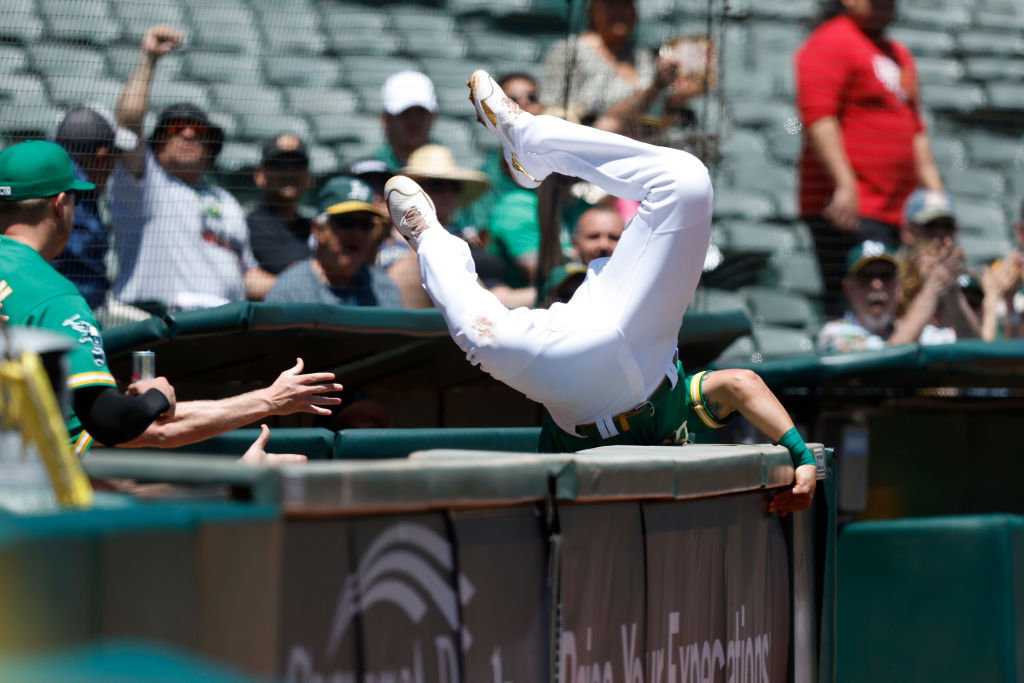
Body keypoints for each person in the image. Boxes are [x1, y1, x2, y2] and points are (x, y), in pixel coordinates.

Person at [384, 70, 817, 515]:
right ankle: (528, 138)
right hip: (649, 347)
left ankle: (429, 237)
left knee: (487, 338)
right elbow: (741, 383)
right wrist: (800, 454)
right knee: (687, 180)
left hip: (577, 391)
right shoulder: (687, 410)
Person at [0, 140, 343, 462]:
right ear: (61, 204)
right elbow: (111, 422)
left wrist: (269, 399)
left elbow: (151, 431)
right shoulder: (51, 295)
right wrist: (157, 396)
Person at [795, 0, 945, 318]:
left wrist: (936, 195)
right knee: (853, 310)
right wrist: (845, 184)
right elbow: (819, 118)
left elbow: (916, 129)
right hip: (849, 211)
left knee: (886, 312)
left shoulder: (897, 53)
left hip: (894, 211)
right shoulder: (831, 41)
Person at [110, 24, 273, 314]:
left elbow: (247, 275)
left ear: (210, 148)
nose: (188, 134)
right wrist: (149, 58)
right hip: (158, 321)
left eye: (199, 130)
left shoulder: (227, 201)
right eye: (176, 128)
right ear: (157, 143)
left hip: (222, 325)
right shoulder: (147, 182)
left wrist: (305, 283)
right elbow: (128, 123)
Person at [540, 0, 692, 136]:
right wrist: (656, 87)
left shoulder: (643, 57)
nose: (620, 11)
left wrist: (681, 95)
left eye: (626, 3)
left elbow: (659, 115)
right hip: (589, 144)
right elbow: (552, 111)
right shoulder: (570, 52)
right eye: (611, 3)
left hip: (643, 142)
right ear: (592, 9)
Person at [264, 176, 401, 308]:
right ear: (318, 229)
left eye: (365, 224)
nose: (357, 233)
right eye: (345, 222)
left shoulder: (383, 288)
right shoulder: (289, 292)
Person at [50, 104, 137, 311]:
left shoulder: (48, 172)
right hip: (61, 313)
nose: (116, 165)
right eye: (115, 155)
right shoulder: (73, 196)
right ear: (101, 157)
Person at [246, 133, 314, 283]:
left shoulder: (311, 227)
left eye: (298, 164)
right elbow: (299, 276)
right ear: (260, 176)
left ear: (309, 178)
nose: (290, 172)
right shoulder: (254, 225)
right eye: (280, 163)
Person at [374, 70, 437, 173]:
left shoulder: (447, 171)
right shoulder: (371, 173)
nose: (415, 121)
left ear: (433, 117)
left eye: (421, 112)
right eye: (405, 113)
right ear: (386, 119)